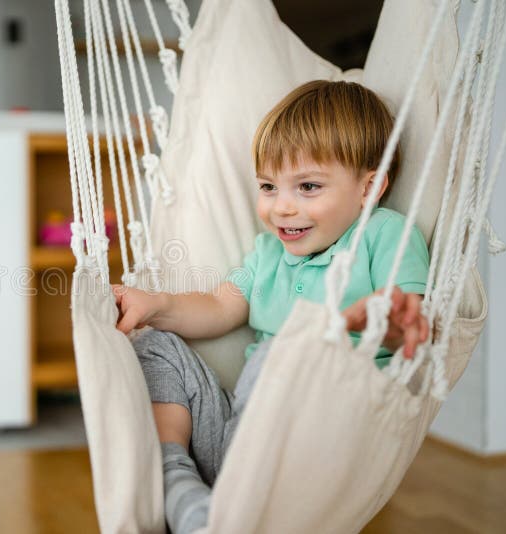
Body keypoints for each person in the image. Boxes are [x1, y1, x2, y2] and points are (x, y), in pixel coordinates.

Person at [112, 80, 431, 534]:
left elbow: (407, 320)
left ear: (369, 188)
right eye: (268, 186)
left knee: (281, 352)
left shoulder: (385, 234)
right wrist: (157, 304)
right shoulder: (267, 254)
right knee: (154, 345)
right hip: (237, 434)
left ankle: (200, 501)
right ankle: (177, 480)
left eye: (308, 186)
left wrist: (386, 324)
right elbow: (219, 305)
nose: (281, 207)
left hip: (318, 446)